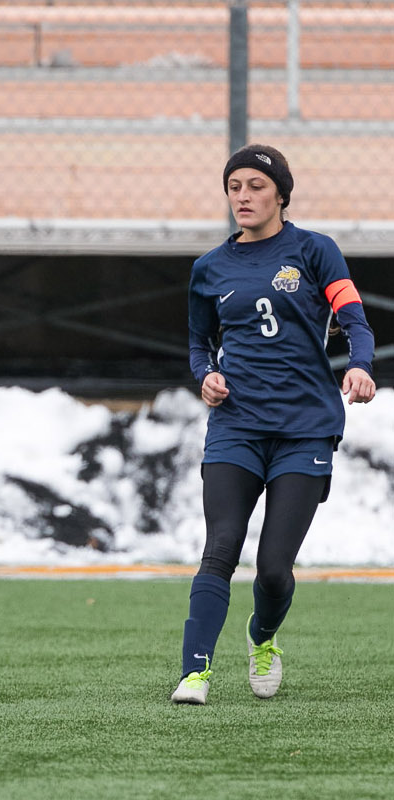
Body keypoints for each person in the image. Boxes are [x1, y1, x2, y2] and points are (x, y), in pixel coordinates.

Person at [171, 143, 377, 705]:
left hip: (305, 429)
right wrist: (205, 375)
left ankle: (262, 637)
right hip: (236, 426)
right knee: (220, 547)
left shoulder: (315, 251)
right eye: (234, 186)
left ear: (281, 195)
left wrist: (359, 365)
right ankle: (194, 673)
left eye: (256, 187)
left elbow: (355, 322)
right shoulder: (209, 268)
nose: (243, 196)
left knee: (273, 570)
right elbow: (197, 343)